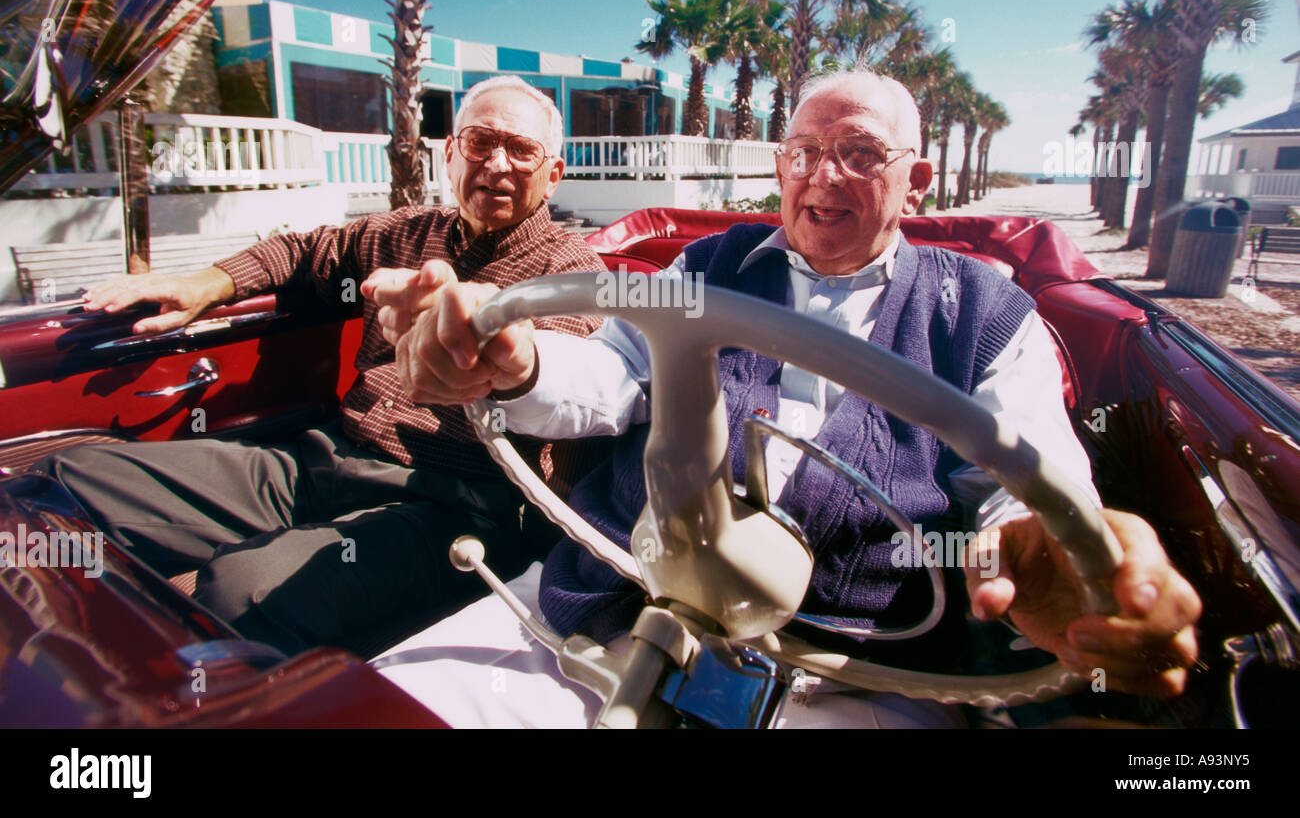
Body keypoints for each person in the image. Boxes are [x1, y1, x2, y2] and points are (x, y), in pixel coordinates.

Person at [368, 69, 1202, 728]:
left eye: (860, 154)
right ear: (779, 167)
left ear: (917, 180)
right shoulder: (706, 269)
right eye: (802, 151)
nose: (822, 175)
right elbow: (609, 378)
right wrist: (514, 365)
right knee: (376, 711)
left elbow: (1025, 480)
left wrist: (1048, 552)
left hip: (851, 672)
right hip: (609, 609)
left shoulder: (981, 313)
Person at [35, 75, 608, 656]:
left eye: (522, 150)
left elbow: (552, 378)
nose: (497, 164)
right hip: (329, 455)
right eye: (481, 142)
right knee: (74, 483)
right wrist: (204, 284)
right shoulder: (403, 231)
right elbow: (303, 250)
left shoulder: (576, 277)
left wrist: (476, 348)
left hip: (454, 499)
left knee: (243, 593)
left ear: (553, 173)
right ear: (450, 153)